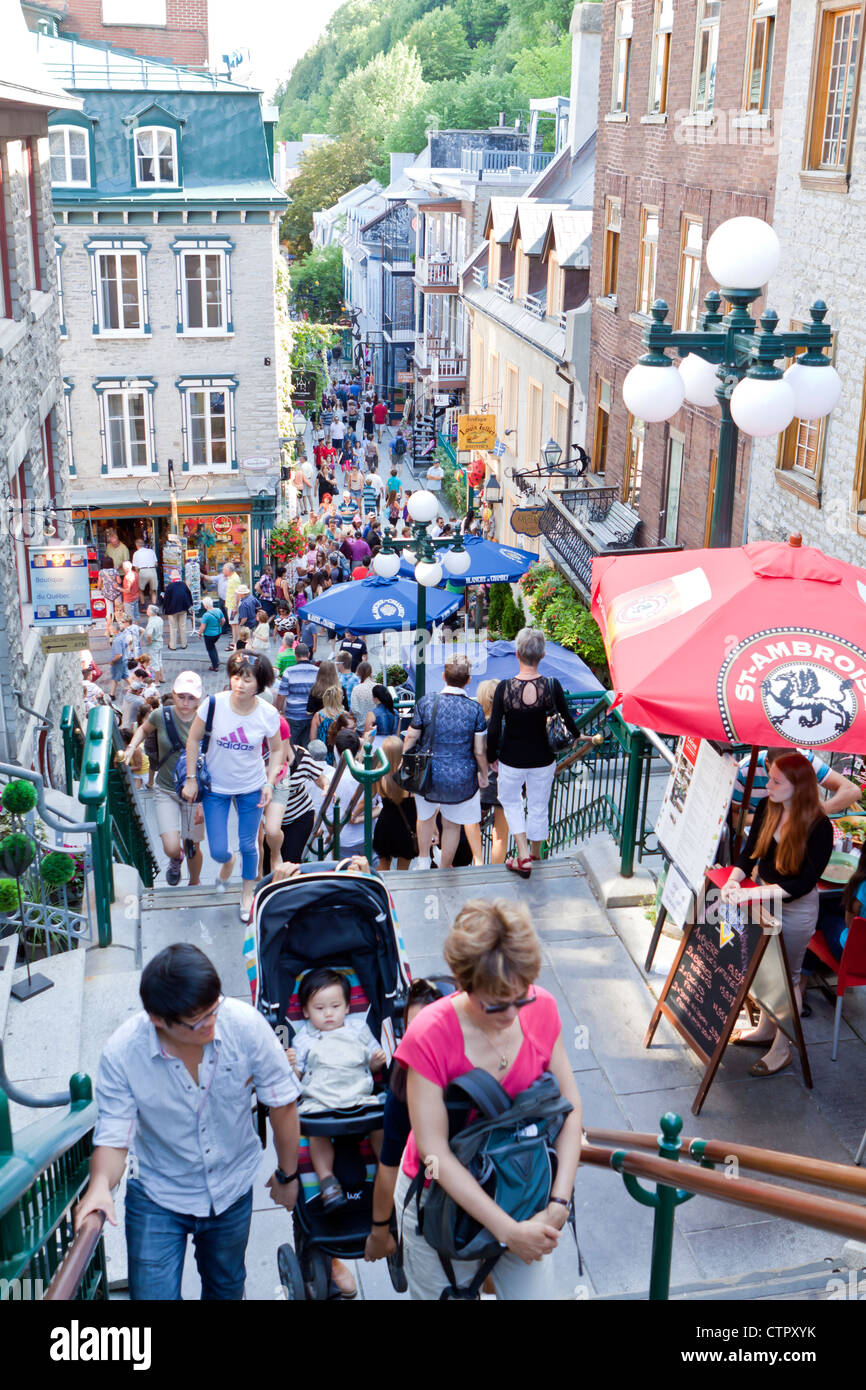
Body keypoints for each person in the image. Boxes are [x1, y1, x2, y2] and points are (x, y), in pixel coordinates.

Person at [74, 943, 301, 1301]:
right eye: (198, 1021)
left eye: (214, 1010)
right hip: (159, 1191)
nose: (211, 1024)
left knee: (226, 1287)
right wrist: (100, 1185)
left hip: (231, 1186)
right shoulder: (124, 1053)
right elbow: (114, 1135)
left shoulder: (243, 1024)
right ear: (158, 1019)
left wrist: (288, 1174)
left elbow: (283, 1104)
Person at [393, 899, 583, 1300]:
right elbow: (434, 1153)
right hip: (439, 1199)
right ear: (463, 983)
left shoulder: (543, 1007)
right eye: (496, 1002)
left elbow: (570, 1109)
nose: (513, 1013)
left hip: (519, 1185)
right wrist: (508, 1231)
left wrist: (558, 1202)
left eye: (521, 997)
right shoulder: (429, 1033)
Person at [722, 752, 834, 1077]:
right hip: (762, 899)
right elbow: (749, 853)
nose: (767, 785)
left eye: (775, 781)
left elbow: (802, 884)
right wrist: (733, 880)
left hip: (793, 910)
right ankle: (766, 1031)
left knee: (788, 977)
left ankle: (782, 1048)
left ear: (798, 787)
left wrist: (754, 891)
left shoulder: (819, 827)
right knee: (764, 970)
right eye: (770, 777)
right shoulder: (768, 808)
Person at [182, 652, 284, 924]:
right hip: (217, 786)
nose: (240, 684)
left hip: (251, 786)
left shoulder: (268, 714)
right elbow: (193, 740)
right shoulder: (213, 704)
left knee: (249, 844)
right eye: (236, 676)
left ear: (259, 684)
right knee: (217, 849)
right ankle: (227, 863)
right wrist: (191, 777)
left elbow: (276, 751)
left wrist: (269, 782)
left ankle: (247, 892)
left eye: (247, 679)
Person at [364, 976, 457, 1263]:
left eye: (433, 1030)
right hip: (434, 1197)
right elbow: (389, 1164)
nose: (422, 1042)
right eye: (414, 1030)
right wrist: (380, 1230)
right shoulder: (404, 1088)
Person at [286, 968, 386, 1211]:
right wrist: (291, 1067)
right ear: (306, 1012)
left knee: (381, 1124)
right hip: (321, 1100)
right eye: (320, 1009)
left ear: (348, 1007)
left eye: (335, 1006)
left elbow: (370, 1066)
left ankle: (386, 1171)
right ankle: (327, 1180)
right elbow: (297, 1076)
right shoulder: (304, 1038)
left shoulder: (358, 1030)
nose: (328, 1014)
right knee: (316, 1134)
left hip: (360, 1096)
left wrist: (376, 1061)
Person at [485, 627, 580, 879]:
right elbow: (568, 721)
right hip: (543, 757)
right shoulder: (552, 685)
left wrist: (491, 755)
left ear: (517, 654)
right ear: (543, 655)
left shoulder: (504, 688)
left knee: (511, 802)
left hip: (511, 758)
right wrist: (576, 736)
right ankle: (536, 854)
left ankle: (523, 854)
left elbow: (494, 728)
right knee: (539, 805)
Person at [119, 672, 207, 886]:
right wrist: (131, 747)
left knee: (192, 845)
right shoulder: (161, 715)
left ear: (199, 698)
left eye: (191, 697)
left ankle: (194, 884)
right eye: (181, 696)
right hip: (166, 788)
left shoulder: (206, 720)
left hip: (194, 792)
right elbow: (143, 729)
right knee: (171, 846)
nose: (186, 703)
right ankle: (175, 860)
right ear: (174, 694)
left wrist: (206, 802)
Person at [403, 657, 488, 869]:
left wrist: (406, 762)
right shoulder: (475, 709)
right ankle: (444, 868)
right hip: (462, 775)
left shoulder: (427, 702)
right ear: (468, 680)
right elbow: (479, 750)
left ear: (443, 676)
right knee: (452, 826)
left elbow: (411, 737)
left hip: (428, 772)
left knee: (424, 818)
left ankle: (423, 861)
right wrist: (484, 774)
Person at [731, 746, 861, 822]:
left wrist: (814, 813)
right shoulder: (743, 772)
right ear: (767, 764)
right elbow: (734, 818)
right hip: (760, 827)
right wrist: (774, 819)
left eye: (794, 775)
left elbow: (853, 791)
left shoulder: (804, 761)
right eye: (778, 778)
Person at [372, 735, 417, 871]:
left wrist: (354, 814)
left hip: (386, 824)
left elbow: (369, 798)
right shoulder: (412, 776)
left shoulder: (379, 776)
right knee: (403, 871)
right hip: (407, 825)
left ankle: (384, 891)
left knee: (383, 869)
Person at [477, 678, 509, 865]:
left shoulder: (480, 725)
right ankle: (496, 869)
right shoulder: (509, 724)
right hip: (505, 781)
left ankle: (477, 863)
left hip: (481, 782)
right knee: (500, 833)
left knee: (472, 825)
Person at [276, 642, 317, 745]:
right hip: (311, 715)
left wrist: (279, 710)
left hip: (293, 715)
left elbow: (282, 695)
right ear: (308, 654)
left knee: (292, 746)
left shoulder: (289, 672)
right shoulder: (318, 671)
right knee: (307, 747)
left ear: (296, 656)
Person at [163, 570, 194, 652]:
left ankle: (173, 645)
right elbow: (189, 596)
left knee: (173, 627)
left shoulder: (170, 586)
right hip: (183, 608)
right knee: (183, 626)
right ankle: (184, 644)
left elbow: (166, 600)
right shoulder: (183, 585)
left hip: (172, 609)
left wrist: (165, 608)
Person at [97, 555, 123, 633]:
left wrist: (98, 588)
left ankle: (109, 629)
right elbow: (119, 582)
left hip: (107, 592)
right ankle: (119, 627)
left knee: (109, 610)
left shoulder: (101, 572)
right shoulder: (115, 571)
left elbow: (99, 583)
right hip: (116, 592)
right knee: (119, 610)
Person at [198, 596, 224, 672]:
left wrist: (199, 633)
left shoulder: (206, 615)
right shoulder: (218, 610)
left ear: (205, 606)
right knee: (213, 646)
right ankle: (217, 661)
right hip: (218, 633)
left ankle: (215, 666)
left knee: (210, 649)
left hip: (209, 635)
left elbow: (202, 627)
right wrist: (220, 626)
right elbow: (223, 620)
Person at [132, 536, 159, 607]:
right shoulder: (151, 551)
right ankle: (154, 605)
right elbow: (156, 564)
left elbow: (136, 568)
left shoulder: (136, 553)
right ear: (144, 544)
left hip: (142, 571)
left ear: (136, 545)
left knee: (140, 590)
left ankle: (143, 605)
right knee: (153, 590)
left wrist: (137, 575)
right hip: (152, 570)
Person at [143, 605, 164, 683]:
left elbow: (149, 634)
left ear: (151, 612)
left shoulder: (152, 621)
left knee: (155, 662)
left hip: (154, 643)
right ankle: (162, 677)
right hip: (160, 641)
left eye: (148, 610)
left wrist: (149, 642)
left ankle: (156, 681)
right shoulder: (159, 619)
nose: (146, 611)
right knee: (159, 660)